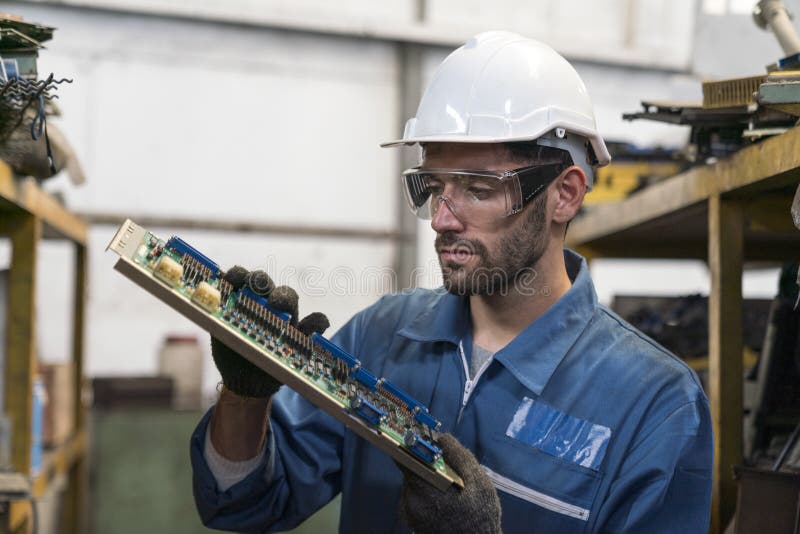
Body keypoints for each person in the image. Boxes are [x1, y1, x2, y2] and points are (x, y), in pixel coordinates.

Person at [190, 31, 713, 533]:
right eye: (433, 187)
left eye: (478, 189)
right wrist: (245, 396)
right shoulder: (382, 338)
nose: (442, 219)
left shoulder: (654, 406)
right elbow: (248, 502)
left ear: (565, 195)